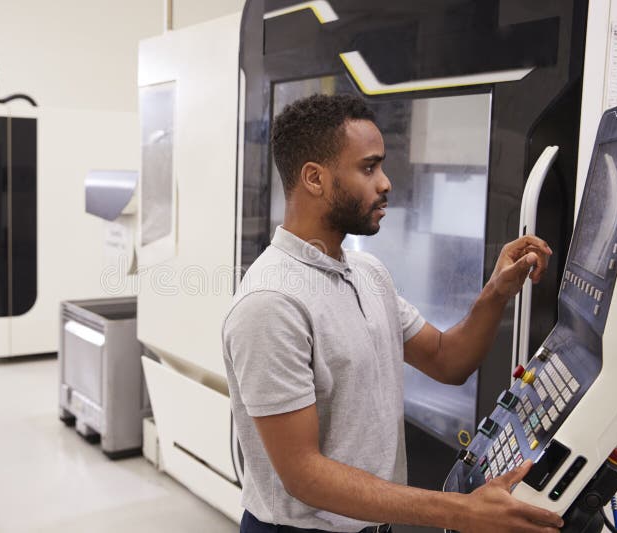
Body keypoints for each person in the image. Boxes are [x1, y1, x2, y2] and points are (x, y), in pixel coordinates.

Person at [222, 94, 562, 533]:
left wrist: (497, 291)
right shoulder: (271, 303)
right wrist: (462, 511)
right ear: (314, 178)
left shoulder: (366, 272)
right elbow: (304, 474)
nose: (385, 183)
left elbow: (447, 359)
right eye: (369, 168)